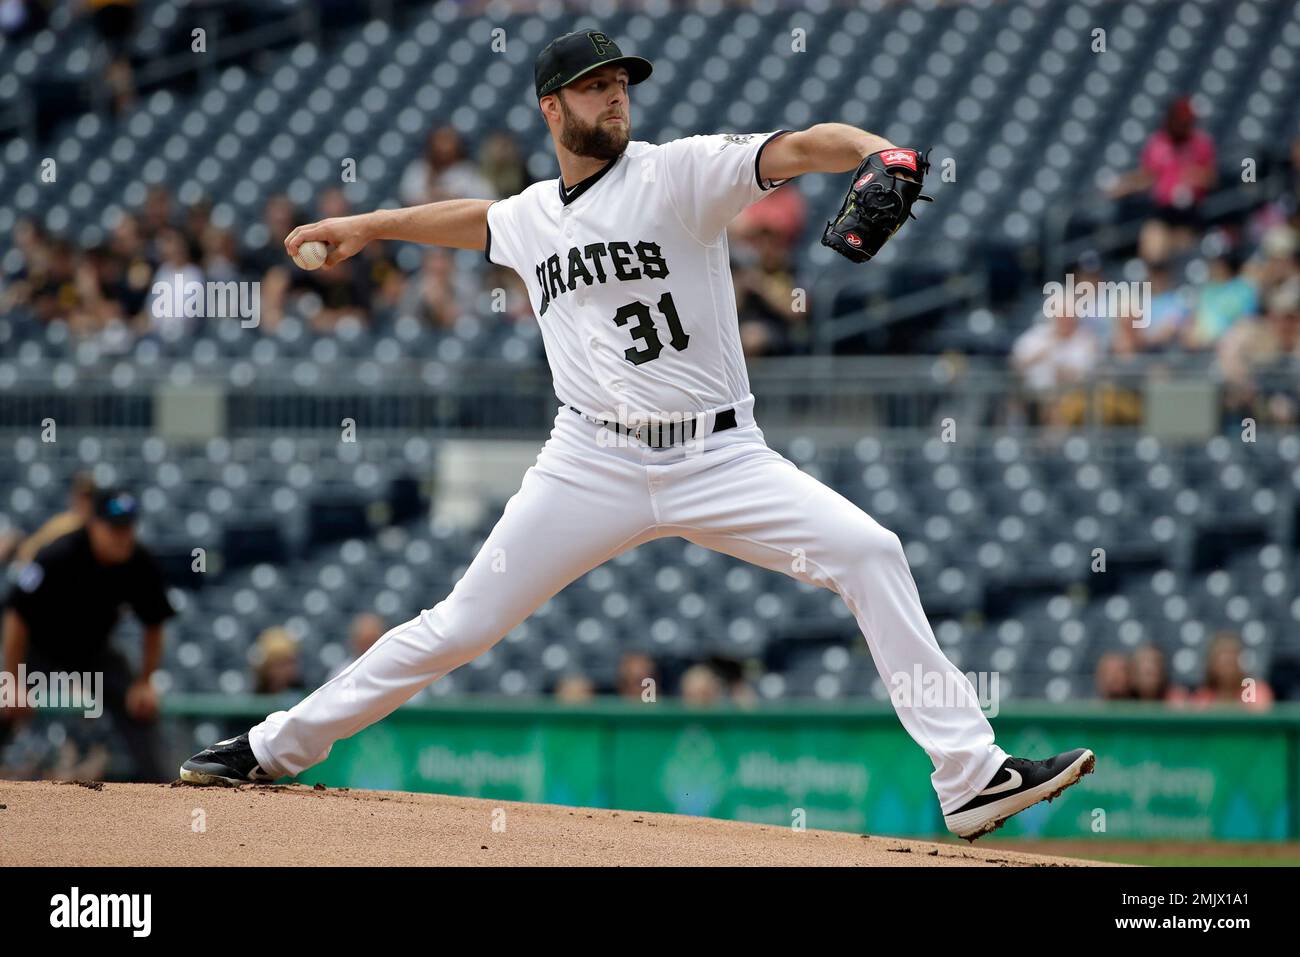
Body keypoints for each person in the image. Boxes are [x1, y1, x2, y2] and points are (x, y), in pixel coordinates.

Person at [180, 28, 1094, 842]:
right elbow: (475, 223)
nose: (615, 94)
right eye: (592, 85)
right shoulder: (533, 214)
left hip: (718, 454)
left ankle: (971, 776)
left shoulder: (678, 171)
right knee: (458, 624)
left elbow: (805, 145)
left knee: (870, 549)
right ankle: (269, 746)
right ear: (551, 106)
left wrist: (878, 151)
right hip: (589, 459)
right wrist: (366, 226)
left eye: (622, 82)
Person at [1, 488, 174, 781]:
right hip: (40, 647)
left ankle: (165, 790)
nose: (123, 536)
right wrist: (13, 681)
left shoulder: (139, 561)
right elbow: (17, 614)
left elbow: (154, 622)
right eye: (114, 528)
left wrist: (145, 681)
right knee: (4, 702)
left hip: (95, 653)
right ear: (93, 524)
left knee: (139, 708)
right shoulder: (58, 554)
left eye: (128, 527)